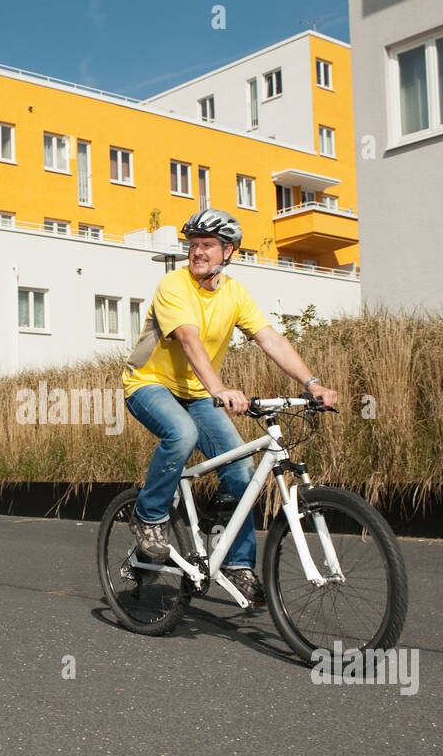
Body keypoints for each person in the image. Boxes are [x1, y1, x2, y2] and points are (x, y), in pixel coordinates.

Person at [122, 208, 340, 605]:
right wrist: (221, 388)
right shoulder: (174, 285)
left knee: (240, 468)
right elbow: (189, 341)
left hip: (197, 393)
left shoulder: (234, 293)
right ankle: (149, 518)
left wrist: (312, 383)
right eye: (193, 245)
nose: (197, 252)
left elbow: (270, 338)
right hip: (150, 385)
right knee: (182, 433)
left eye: (207, 245)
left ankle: (239, 566)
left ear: (229, 251)